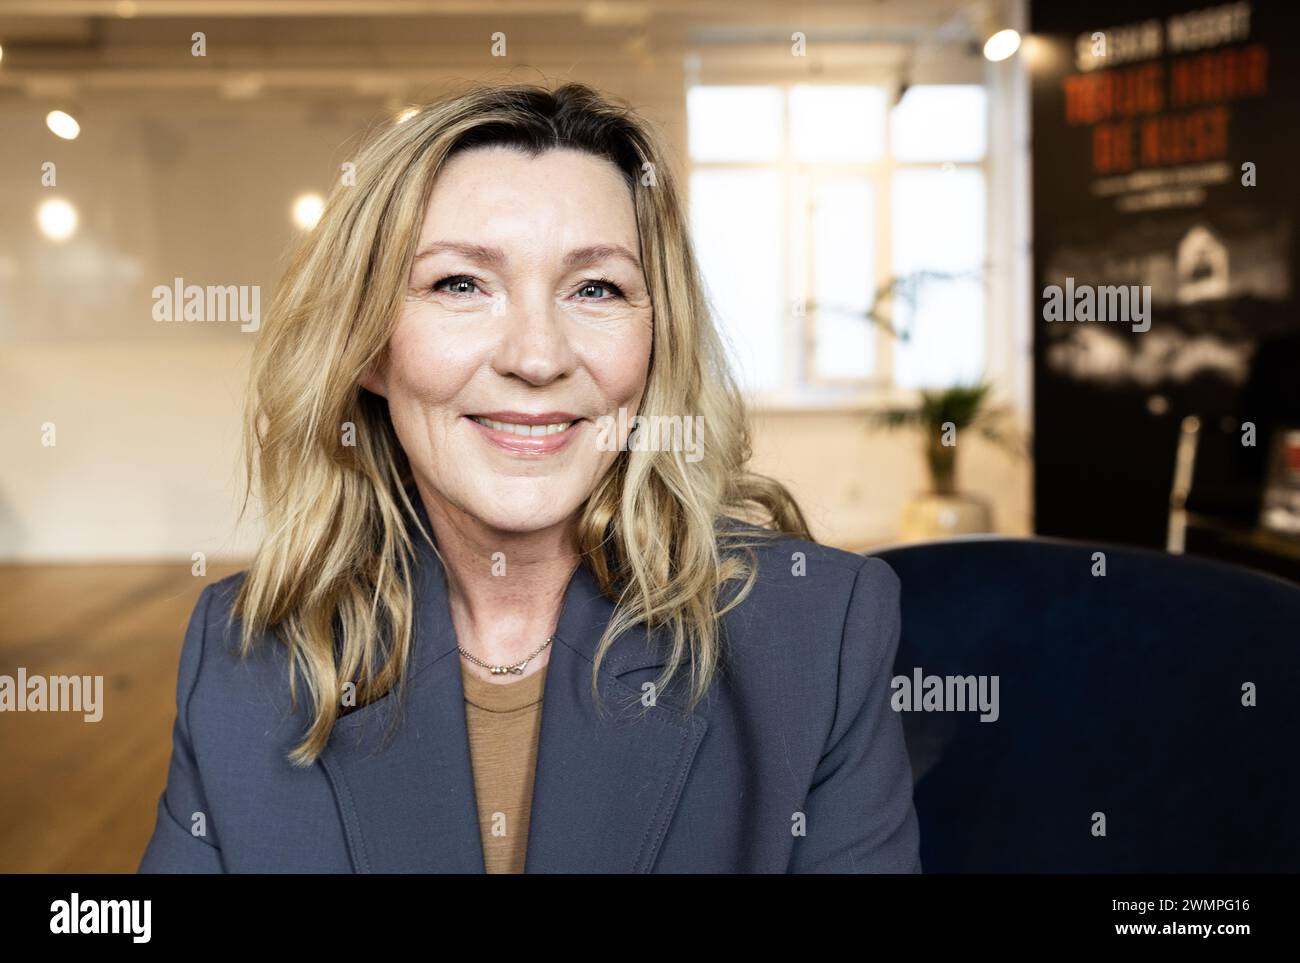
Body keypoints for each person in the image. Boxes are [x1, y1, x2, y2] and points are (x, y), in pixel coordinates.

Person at [137, 82, 920, 873]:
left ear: (657, 345)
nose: (537, 356)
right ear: (369, 346)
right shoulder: (245, 652)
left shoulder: (817, 635)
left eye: (596, 288)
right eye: (461, 285)